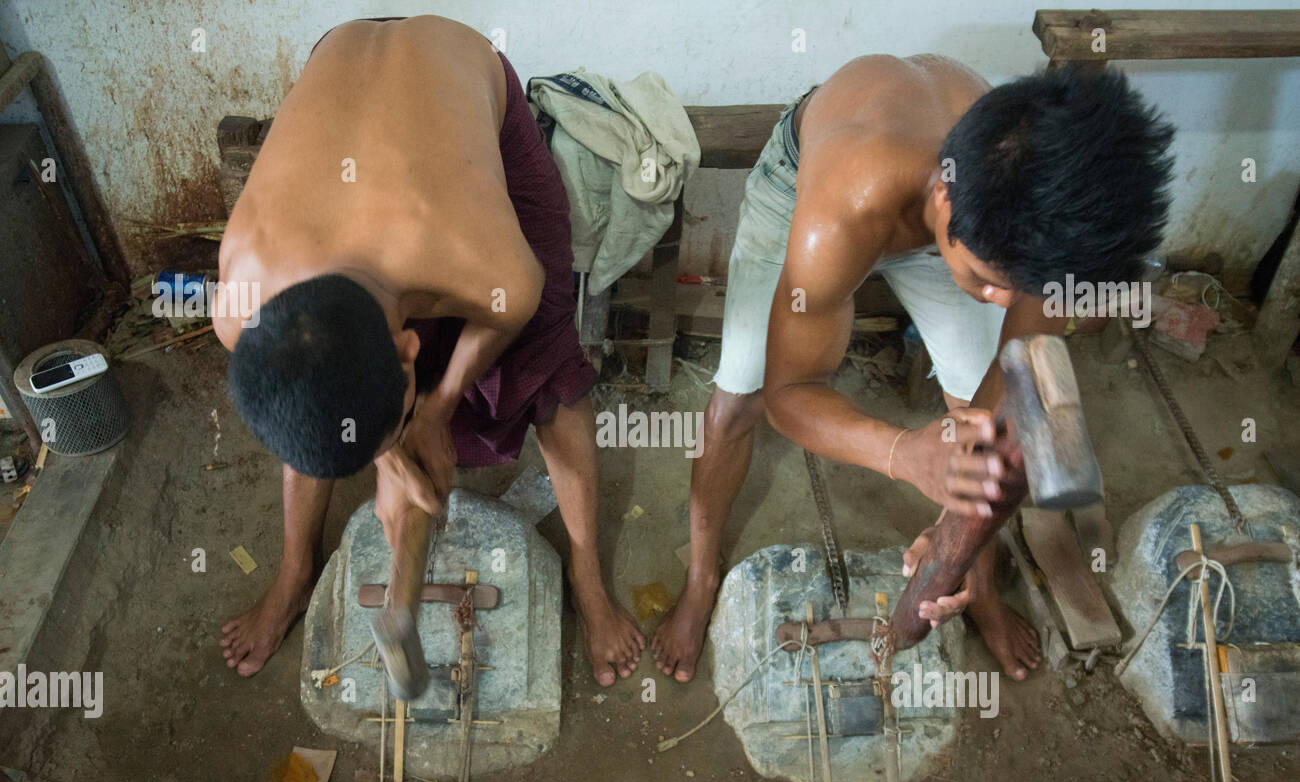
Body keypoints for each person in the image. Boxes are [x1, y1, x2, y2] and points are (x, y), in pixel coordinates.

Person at [652, 56, 1172, 683]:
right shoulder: (845, 206)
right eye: (986, 283)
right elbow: (790, 392)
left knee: (979, 417)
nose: (1002, 305)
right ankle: (701, 578)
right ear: (944, 201)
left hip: (957, 210)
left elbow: (999, 407)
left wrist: (953, 533)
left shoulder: (1039, 223)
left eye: (1020, 290)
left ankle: (977, 589)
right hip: (813, 181)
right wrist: (903, 452)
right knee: (739, 396)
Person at [214, 15, 644, 688]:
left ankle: (588, 578)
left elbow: (515, 307)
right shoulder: (241, 308)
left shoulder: (478, 258)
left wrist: (439, 407)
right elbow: (327, 406)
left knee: (549, 373)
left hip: (461, 69)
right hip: (343, 59)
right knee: (313, 408)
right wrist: (387, 457)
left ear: (410, 344)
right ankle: (295, 574)